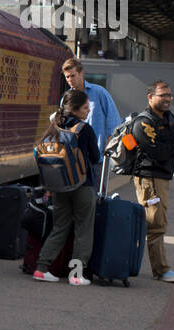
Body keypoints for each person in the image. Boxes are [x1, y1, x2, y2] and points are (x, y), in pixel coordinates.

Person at [130, 81, 174, 283]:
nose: (167, 99)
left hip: (161, 177)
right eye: (163, 95)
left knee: (154, 222)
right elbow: (158, 152)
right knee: (156, 224)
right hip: (149, 178)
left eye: (169, 95)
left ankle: (152, 266)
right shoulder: (144, 123)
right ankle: (161, 270)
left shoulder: (169, 119)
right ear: (150, 97)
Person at [33, 88, 101, 285]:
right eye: (86, 108)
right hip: (83, 186)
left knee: (60, 227)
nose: (88, 111)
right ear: (77, 110)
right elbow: (95, 158)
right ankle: (76, 275)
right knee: (83, 229)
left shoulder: (54, 128)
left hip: (59, 186)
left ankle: (41, 268)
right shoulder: (83, 129)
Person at [60, 57, 120, 150]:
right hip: (75, 154)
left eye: (73, 75)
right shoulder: (66, 99)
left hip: (99, 152)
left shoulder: (99, 92)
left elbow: (113, 120)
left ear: (81, 74)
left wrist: (109, 144)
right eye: (67, 77)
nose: (70, 79)